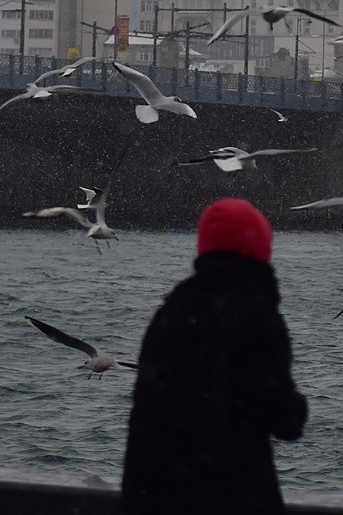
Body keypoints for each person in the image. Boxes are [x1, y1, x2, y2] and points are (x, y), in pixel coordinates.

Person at [122, 197, 307, 513]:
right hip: (233, 494)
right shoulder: (256, 315)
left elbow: (149, 408)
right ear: (259, 246)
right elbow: (282, 418)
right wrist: (295, 406)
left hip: (155, 494)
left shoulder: (171, 311)